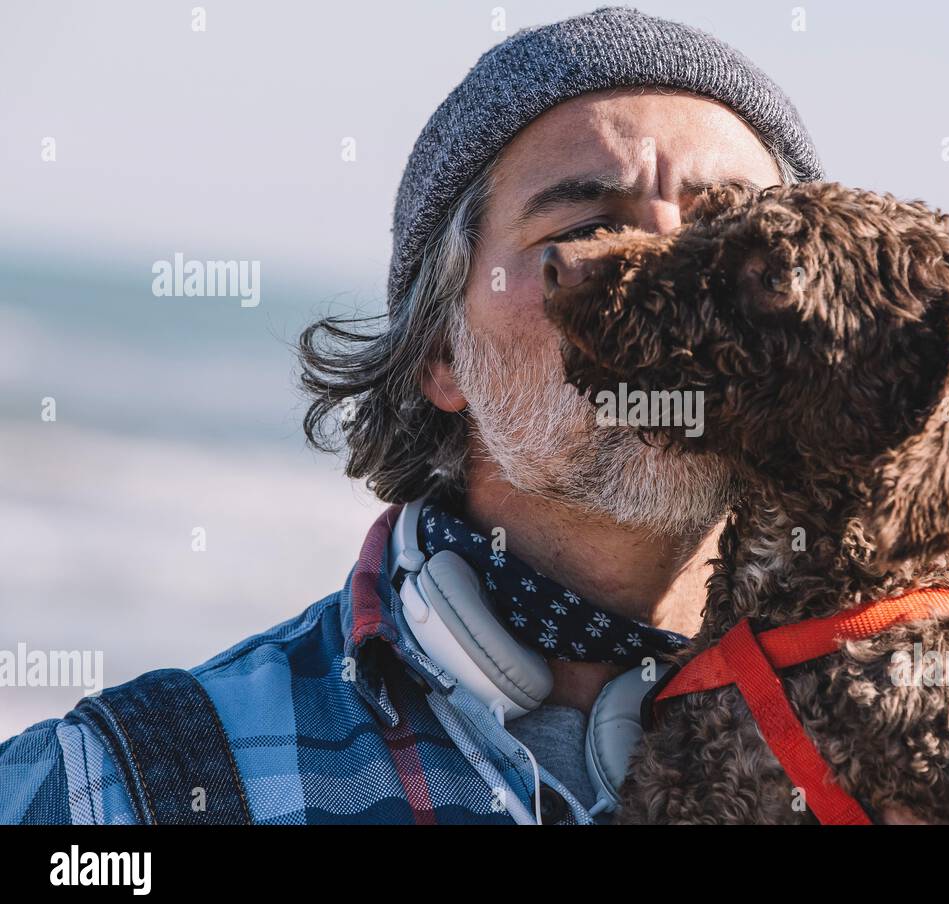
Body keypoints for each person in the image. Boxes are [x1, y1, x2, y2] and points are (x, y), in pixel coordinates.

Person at [0, 6, 821, 824]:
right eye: (590, 233)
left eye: (734, 239)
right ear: (441, 351)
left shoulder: (908, 764)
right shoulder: (113, 791)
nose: (680, 292)